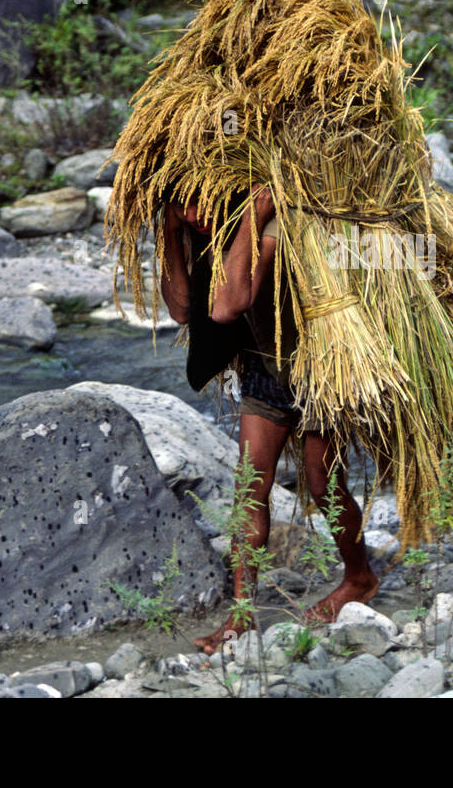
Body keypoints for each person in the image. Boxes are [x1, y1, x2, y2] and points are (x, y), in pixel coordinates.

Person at [158, 185, 379, 655]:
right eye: (184, 205)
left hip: (321, 369)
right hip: (264, 370)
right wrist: (172, 232)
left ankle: (360, 579)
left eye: (201, 203)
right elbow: (180, 309)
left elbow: (227, 305)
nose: (195, 213)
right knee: (249, 489)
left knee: (324, 487)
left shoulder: (275, 227)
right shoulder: (203, 232)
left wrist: (252, 220)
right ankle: (239, 617)